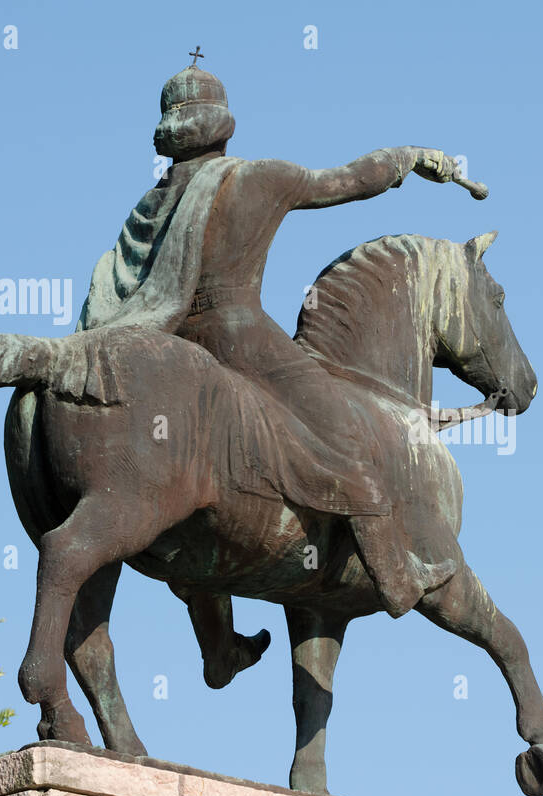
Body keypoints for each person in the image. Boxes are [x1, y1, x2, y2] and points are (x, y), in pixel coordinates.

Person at [78, 64, 467, 617]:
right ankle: (396, 574)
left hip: (172, 351)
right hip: (242, 339)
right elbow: (352, 180)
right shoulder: (257, 178)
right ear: (224, 129)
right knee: (349, 432)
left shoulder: (150, 204)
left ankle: (217, 642)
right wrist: (410, 156)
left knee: (191, 476)